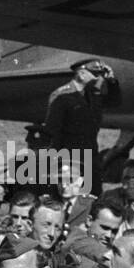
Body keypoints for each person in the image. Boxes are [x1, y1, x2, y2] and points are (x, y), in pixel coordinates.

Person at [40, 58, 120, 195]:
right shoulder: (62, 95)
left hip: (90, 157)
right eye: (95, 75)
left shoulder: (93, 95)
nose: (99, 78)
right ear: (81, 74)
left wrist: (112, 81)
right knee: (67, 196)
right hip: (68, 157)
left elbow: (115, 101)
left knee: (92, 197)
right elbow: (52, 131)